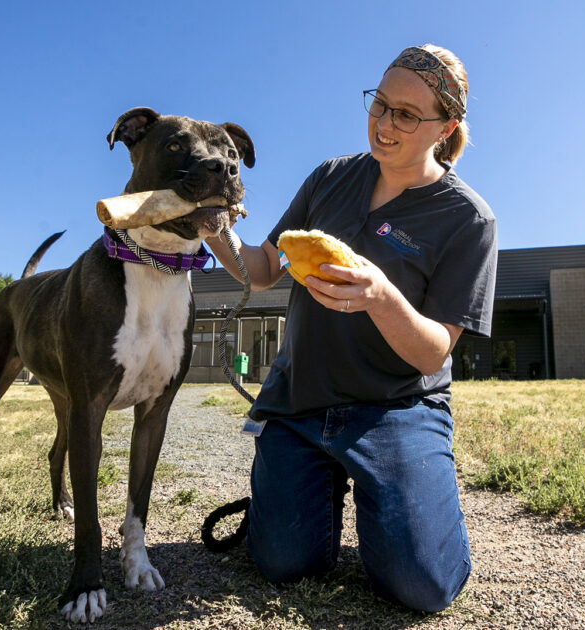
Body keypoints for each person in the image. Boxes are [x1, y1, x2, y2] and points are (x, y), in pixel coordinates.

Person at [205, 44, 497, 612]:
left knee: (421, 587)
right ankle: (317, 486)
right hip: (301, 404)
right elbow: (263, 270)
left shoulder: (467, 218)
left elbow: (432, 354)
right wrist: (211, 220)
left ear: (447, 126)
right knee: (282, 563)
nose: (385, 124)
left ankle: (398, 494)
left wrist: (384, 298)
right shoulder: (330, 178)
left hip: (397, 408)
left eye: (407, 114)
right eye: (380, 104)